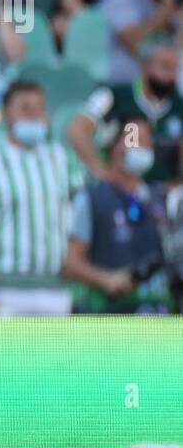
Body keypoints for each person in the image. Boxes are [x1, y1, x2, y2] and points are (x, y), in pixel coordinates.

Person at [0, 80, 84, 315]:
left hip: (56, 289)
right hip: (4, 292)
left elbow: (78, 219)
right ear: (7, 114)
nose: (34, 115)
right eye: (26, 108)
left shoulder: (62, 159)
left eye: (40, 108)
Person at [64, 115, 171, 314]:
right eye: (134, 139)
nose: (142, 147)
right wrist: (107, 279)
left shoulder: (159, 200)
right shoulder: (91, 198)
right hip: (109, 316)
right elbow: (69, 263)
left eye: (147, 140)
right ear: (113, 145)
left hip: (157, 316)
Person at [68, 38, 183, 188]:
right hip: (119, 191)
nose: (170, 75)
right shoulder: (112, 96)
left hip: (161, 195)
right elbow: (76, 131)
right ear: (145, 66)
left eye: (175, 68)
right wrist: (101, 173)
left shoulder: (179, 106)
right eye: (164, 66)